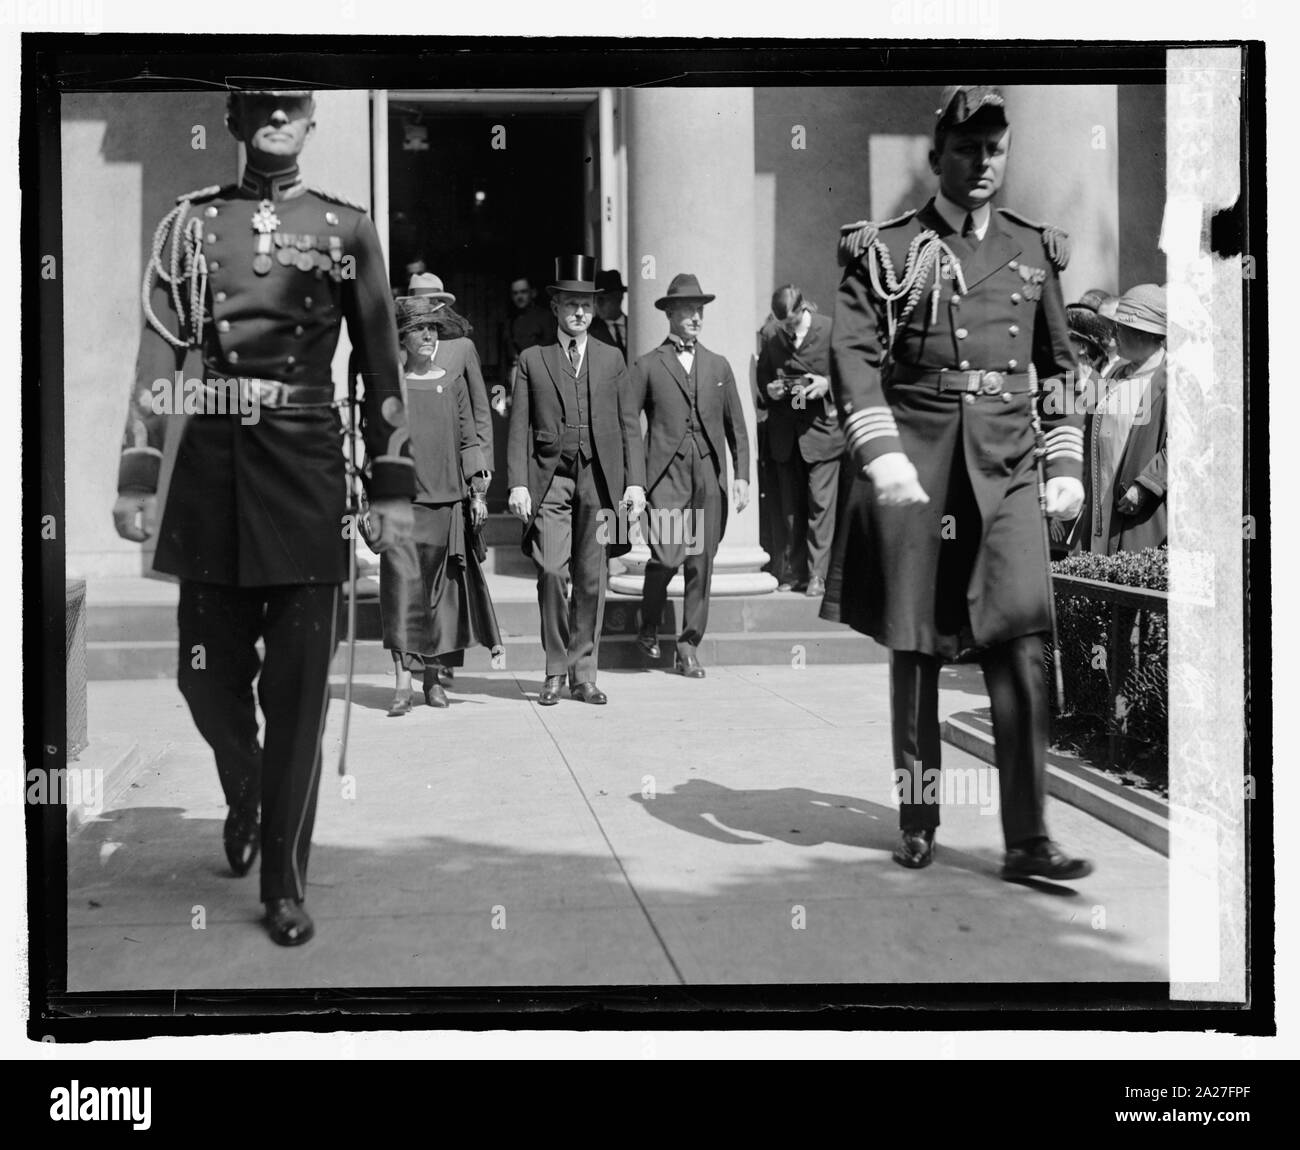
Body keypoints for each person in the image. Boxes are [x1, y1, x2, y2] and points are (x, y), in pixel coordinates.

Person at [111, 89, 415, 946]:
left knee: (296, 697)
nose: (278, 121)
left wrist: (390, 488)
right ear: (239, 122)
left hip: (304, 480)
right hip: (209, 481)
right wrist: (138, 475)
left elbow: (382, 366)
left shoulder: (346, 231)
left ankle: (283, 880)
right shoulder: (189, 227)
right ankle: (245, 790)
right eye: (263, 109)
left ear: (311, 122)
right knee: (203, 682)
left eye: (292, 109)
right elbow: (158, 354)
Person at [824, 83, 1093, 881]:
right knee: (918, 648)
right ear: (936, 155)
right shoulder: (890, 248)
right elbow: (854, 355)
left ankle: (1028, 838)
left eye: (995, 149)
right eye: (968, 148)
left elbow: (1060, 365)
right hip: (923, 464)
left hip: (1010, 467)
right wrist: (883, 451)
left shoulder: (1032, 246)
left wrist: (1068, 461)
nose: (982, 163)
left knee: (1023, 645)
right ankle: (918, 816)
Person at [507, 255, 646, 704]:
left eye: (585, 305)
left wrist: (635, 483)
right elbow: (519, 426)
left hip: (601, 479)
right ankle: (554, 669)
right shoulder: (533, 359)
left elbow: (630, 425)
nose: (579, 313)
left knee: (592, 576)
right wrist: (517, 483)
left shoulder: (612, 359)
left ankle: (583, 672)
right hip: (550, 478)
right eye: (570, 305)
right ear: (556, 309)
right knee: (551, 570)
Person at [381, 282, 502, 716]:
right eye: (420, 330)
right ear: (403, 339)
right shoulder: (390, 387)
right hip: (401, 505)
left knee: (439, 597)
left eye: (434, 328)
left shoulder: (450, 382)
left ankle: (432, 678)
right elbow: (376, 444)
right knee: (400, 594)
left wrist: (477, 491)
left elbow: (469, 438)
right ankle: (401, 682)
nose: (430, 336)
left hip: (448, 502)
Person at [626, 273, 751, 677]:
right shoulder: (647, 364)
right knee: (665, 555)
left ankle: (687, 647)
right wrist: (635, 482)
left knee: (701, 561)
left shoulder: (718, 365)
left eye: (700, 310)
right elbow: (628, 423)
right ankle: (648, 622)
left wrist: (742, 475)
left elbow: (738, 427)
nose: (696, 317)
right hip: (665, 476)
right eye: (688, 310)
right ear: (670, 314)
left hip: (708, 475)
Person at [756, 285, 845, 596]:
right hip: (784, 434)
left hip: (821, 432)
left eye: (792, 321)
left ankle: (817, 575)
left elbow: (851, 374)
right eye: (783, 324)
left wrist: (826, 384)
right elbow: (762, 376)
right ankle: (793, 573)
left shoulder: (830, 329)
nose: (788, 329)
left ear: (803, 309)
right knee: (790, 508)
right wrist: (770, 390)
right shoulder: (771, 335)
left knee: (820, 505)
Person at [1076, 284, 1168, 555]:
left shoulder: (1174, 379)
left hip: (1137, 513)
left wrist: (1146, 486)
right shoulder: (1114, 372)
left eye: (1119, 328)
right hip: (1098, 505)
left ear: (1146, 333)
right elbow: (1084, 415)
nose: (1113, 335)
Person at [506, 275, 557, 388]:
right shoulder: (510, 321)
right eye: (515, 293)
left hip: (541, 377)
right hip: (516, 377)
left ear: (532, 293)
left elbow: (551, 351)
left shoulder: (546, 318)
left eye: (523, 292)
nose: (519, 296)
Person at [589, 268, 629, 358]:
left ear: (618, 297)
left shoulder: (636, 327)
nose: (596, 304)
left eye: (601, 299)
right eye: (594, 299)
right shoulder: (588, 330)